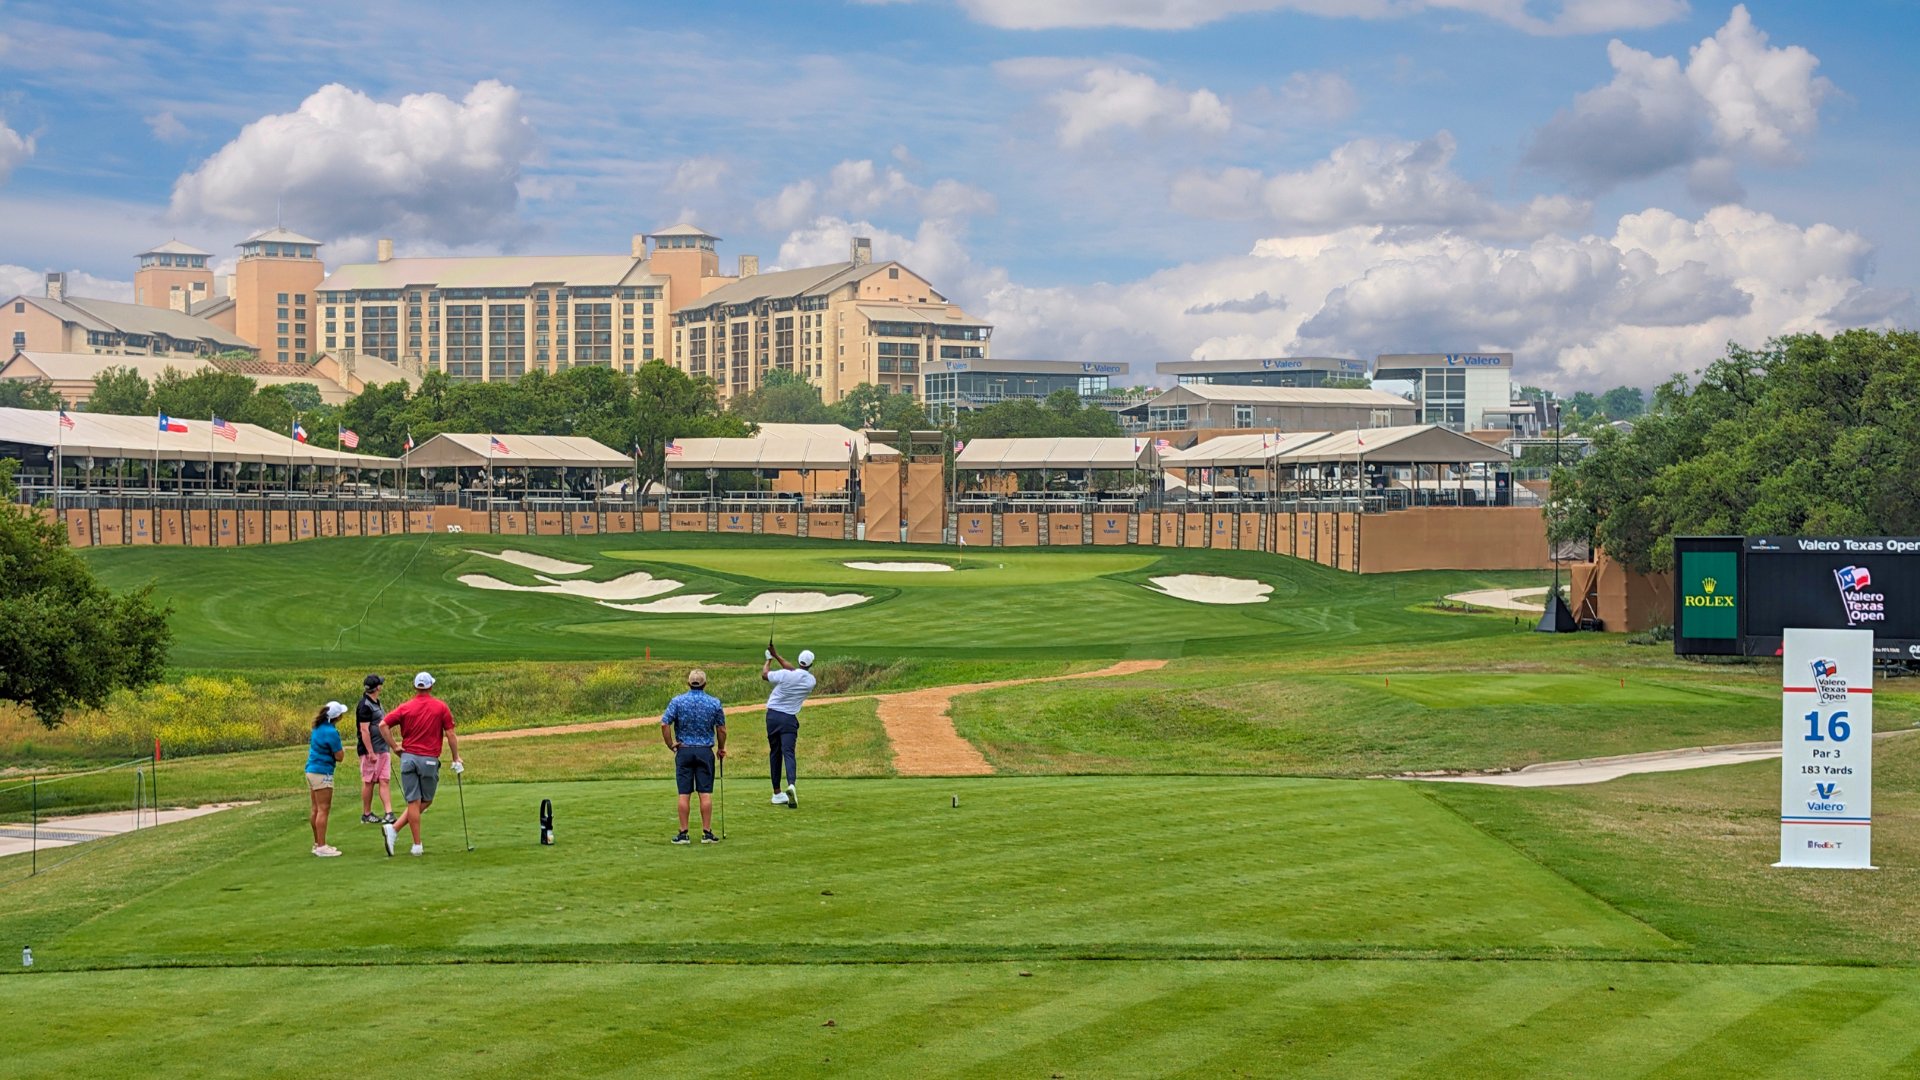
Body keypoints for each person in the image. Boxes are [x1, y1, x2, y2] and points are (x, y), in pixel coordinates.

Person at [378, 672, 462, 858]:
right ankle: (413, 843)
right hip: (429, 760)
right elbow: (450, 734)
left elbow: (383, 725)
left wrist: (394, 747)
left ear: (416, 687)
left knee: (413, 801)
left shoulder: (405, 707)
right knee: (425, 800)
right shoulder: (440, 707)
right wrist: (456, 758)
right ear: (430, 686)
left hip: (408, 758)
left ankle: (398, 833)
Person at [660, 668, 726, 844]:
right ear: (704, 684)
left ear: (689, 683)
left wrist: (670, 744)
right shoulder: (714, 703)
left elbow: (665, 724)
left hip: (684, 750)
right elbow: (721, 729)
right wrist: (721, 748)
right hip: (705, 751)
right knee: (705, 793)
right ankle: (706, 832)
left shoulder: (678, 701)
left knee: (684, 793)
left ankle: (683, 833)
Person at [763, 646, 817, 809]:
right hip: (789, 719)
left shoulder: (785, 675)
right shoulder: (810, 681)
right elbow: (795, 671)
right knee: (788, 753)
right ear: (810, 664)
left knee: (775, 753)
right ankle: (791, 784)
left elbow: (765, 675)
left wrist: (769, 660)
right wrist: (777, 655)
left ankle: (777, 793)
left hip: (772, 716)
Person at [305, 701, 348, 857]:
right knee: (323, 809)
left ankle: (317, 843)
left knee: (316, 808)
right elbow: (340, 756)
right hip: (322, 772)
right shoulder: (331, 732)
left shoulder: (317, 727)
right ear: (337, 717)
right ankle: (322, 846)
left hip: (311, 771)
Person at [356, 674, 395, 826]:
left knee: (384, 780)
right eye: (380, 684)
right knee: (369, 782)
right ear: (377, 687)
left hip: (382, 747)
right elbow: (364, 730)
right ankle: (366, 814)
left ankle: (389, 813)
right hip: (370, 751)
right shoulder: (364, 705)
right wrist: (370, 752)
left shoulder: (376, 702)